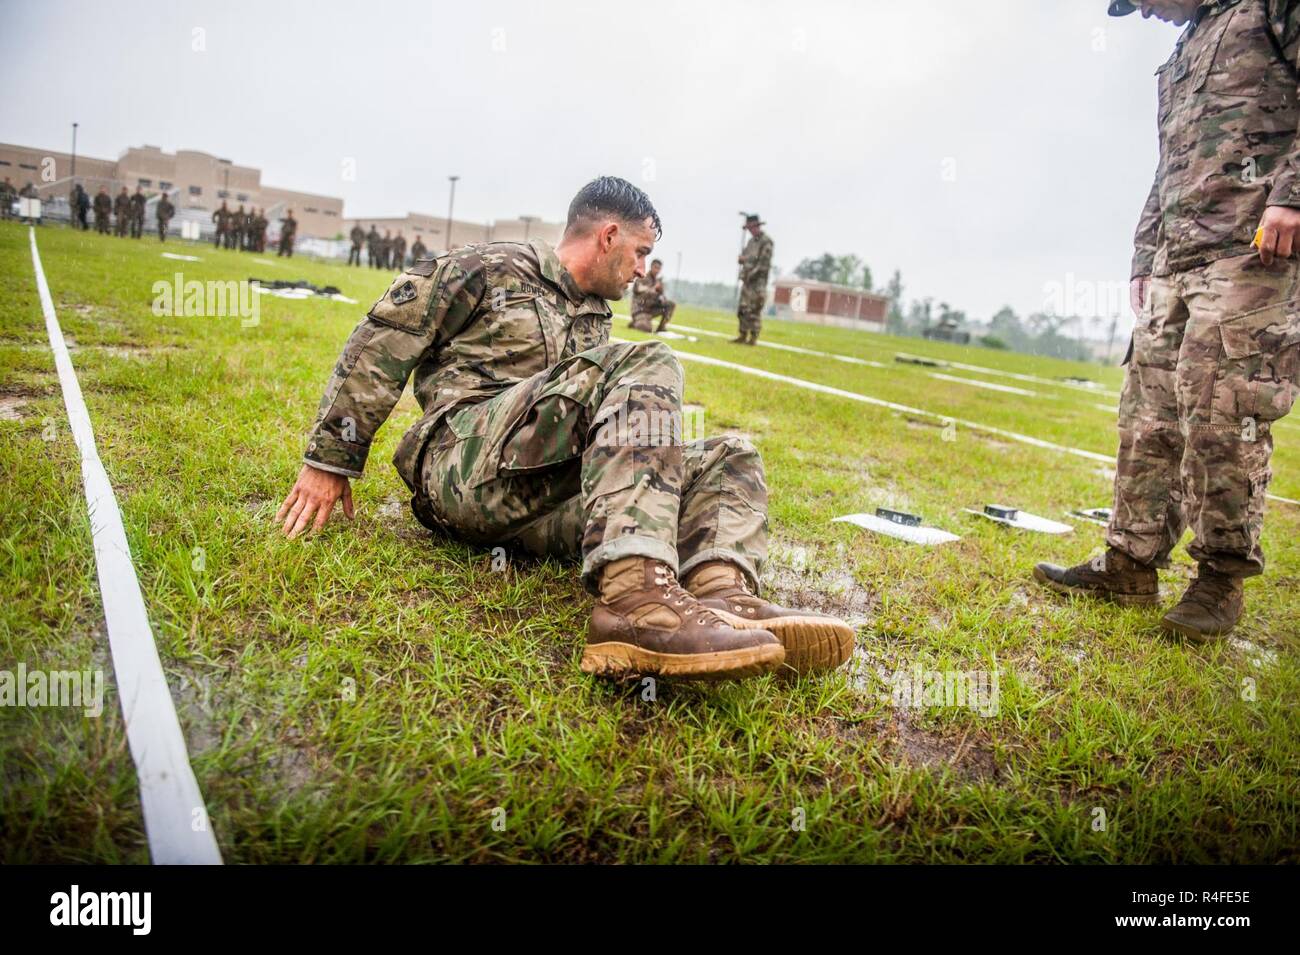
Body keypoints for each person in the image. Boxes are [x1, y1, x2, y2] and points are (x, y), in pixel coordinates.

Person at [276, 176, 855, 680]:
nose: (641, 270)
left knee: (729, 453)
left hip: (538, 503)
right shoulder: (488, 268)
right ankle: (634, 601)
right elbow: (382, 342)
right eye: (639, 252)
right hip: (461, 470)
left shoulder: (594, 315)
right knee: (651, 358)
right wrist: (331, 461)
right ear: (608, 236)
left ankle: (722, 594)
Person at [1036, 0, 1300, 641]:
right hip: (1176, 256)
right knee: (1147, 414)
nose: (1146, 11)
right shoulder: (1184, 49)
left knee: (1222, 410)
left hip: (1250, 251)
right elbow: (1169, 166)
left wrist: (1292, 196)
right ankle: (1129, 562)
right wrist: (1144, 253)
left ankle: (1218, 582)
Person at [734, 213, 773, 344]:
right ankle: (743, 334)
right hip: (747, 280)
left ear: (757, 226)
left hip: (757, 282)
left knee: (754, 309)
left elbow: (763, 263)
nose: (750, 230)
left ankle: (753, 337)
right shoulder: (750, 242)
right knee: (743, 308)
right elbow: (746, 258)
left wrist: (752, 273)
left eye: (752, 227)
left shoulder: (766, 242)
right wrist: (742, 260)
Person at [629, 257, 676, 332]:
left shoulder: (658, 281)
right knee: (646, 329)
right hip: (640, 310)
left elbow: (661, 298)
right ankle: (635, 322)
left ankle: (661, 328)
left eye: (659, 269)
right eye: (656, 267)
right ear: (651, 267)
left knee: (670, 305)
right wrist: (654, 288)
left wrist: (661, 294)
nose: (657, 270)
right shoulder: (643, 277)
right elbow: (639, 289)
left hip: (650, 309)